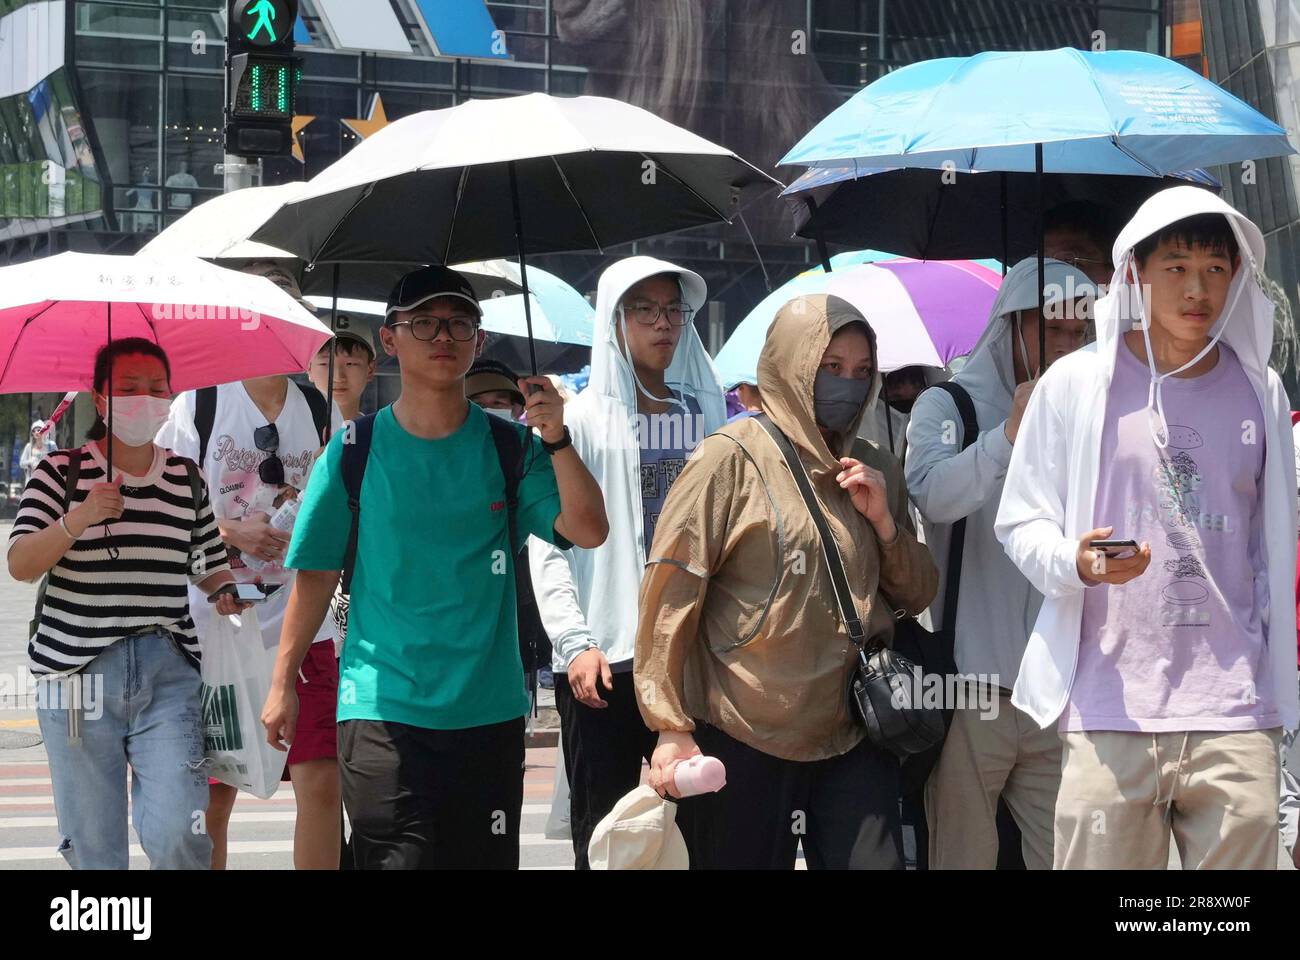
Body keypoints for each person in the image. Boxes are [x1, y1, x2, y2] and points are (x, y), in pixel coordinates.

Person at [263, 265, 607, 869]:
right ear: (389, 339)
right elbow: (314, 575)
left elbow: (588, 529)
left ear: (479, 339)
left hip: (488, 709)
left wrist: (557, 438)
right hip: (382, 707)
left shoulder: (511, 446)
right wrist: (281, 683)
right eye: (423, 322)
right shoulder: (352, 451)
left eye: (460, 323)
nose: (443, 335)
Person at [996, 186, 1299, 869]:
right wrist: (1076, 559)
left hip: (1235, 710)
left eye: (1216, 269)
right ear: (1135, 272)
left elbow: (1272, 545)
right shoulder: (1075, 385)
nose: (1198, 288)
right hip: (1109, 708)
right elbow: (1019, 521)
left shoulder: (1263, 391)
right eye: (1178, 266)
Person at [635, 293, 938, 869]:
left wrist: (884, 525)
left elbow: (919, 593)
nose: (847, 385)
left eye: (862, 372)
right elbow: (669, 592)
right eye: (830, 368)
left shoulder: (875, 464)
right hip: (743, 730)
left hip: (855, 727)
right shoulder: (726, 459)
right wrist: (670, 725)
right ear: (791, 366)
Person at [8, 339, 249, 869]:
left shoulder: (186, 477)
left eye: (156, 389)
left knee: (180, 832)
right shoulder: (59, 473)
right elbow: (21, 563)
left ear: (171, 396)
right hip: (77, 678)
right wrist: (80, 517)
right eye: (129, 388)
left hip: (169, 675)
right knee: (94, 846)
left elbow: (207, 563)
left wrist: (230, 592)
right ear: (100, 398)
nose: (145, 400)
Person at [528, 256, 727, 869]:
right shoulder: (576, 423)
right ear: (615, 322)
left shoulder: (707, 419)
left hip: (694, 654)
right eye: (645, 310)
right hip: (606, 659)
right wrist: (574, 641)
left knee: (695, 829)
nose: (663, 324)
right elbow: (549, 547)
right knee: (609, 828)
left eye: (674, 310)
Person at [905, 257, 1096, 870]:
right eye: (1055, 328)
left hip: (1055, 687)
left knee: (1069, 853)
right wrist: (1008, 436)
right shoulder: (947, 405)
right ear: (1014, 324)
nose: (1069, 344)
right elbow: (931, 494)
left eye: (1080, 331)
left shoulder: (1086, 413)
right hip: (969, 683)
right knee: (961, 854)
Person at [156, 259, 342, 870]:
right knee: (217, 789)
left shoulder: (319, 411)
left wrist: (306, 526)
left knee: (321, 781)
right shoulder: (201, 404)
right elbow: (162, 509)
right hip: (218, 622)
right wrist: (229, 531)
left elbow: (339, 504)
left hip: (303, 619)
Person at [466, 356, 553, 691]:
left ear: (519, 410)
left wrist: (555, 440)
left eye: (499, 403)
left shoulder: (534, 456)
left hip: (515, 612)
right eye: (478, 403)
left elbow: (580, 528)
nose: (489, 410)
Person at [308, 319, 376, 425]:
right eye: (325, 364)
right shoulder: (288, 433)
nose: (338, 377)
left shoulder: (384, 435)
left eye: (350, 364)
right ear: (309, 368)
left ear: (370, 369)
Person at [20, 420, 56, 484]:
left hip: (47, 480)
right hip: (33, 480)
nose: (36, 432)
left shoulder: (51, 446)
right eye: (34, 431)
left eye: (39, 430)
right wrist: (30, 462)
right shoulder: (29, 447)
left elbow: (57, 460)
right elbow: (22, 463)